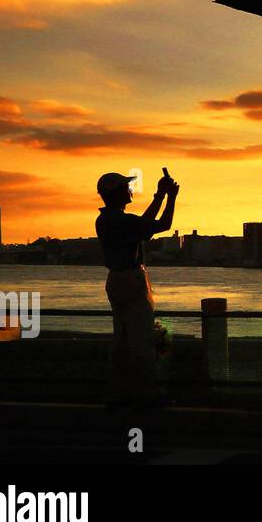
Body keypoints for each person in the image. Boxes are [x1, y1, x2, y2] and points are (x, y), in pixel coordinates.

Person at [95, 168, 179, 406]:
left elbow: (144, 225)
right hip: (132, 280)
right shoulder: (118, 220)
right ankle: (146, 393)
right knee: (142, 339)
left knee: (123, 339)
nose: (130, 190)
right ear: (116, 193)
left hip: (117, 281)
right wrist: (168, 196)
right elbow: (159, 224)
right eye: (126, 187)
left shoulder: (107, 220)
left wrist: (161, 196)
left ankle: (121, 391)